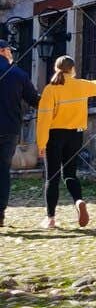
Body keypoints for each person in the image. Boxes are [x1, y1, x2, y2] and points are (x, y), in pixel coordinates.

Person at [35, 56, 96, 231]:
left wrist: (41, 143)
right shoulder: (81, 85)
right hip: (75, 136)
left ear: (56, 68)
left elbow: (43, 119)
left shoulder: (50, 90)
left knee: (52, 176)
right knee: (70, 173)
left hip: (54, 136)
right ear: (72, 69)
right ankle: (78, 201)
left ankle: (50, 219)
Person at [0, 37, 39, 229]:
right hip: (9, 129)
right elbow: (34, 100)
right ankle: (0, 214)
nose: (11, 54)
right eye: (9, 51)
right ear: (3, 51)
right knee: (2, 171)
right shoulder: (18, 74)